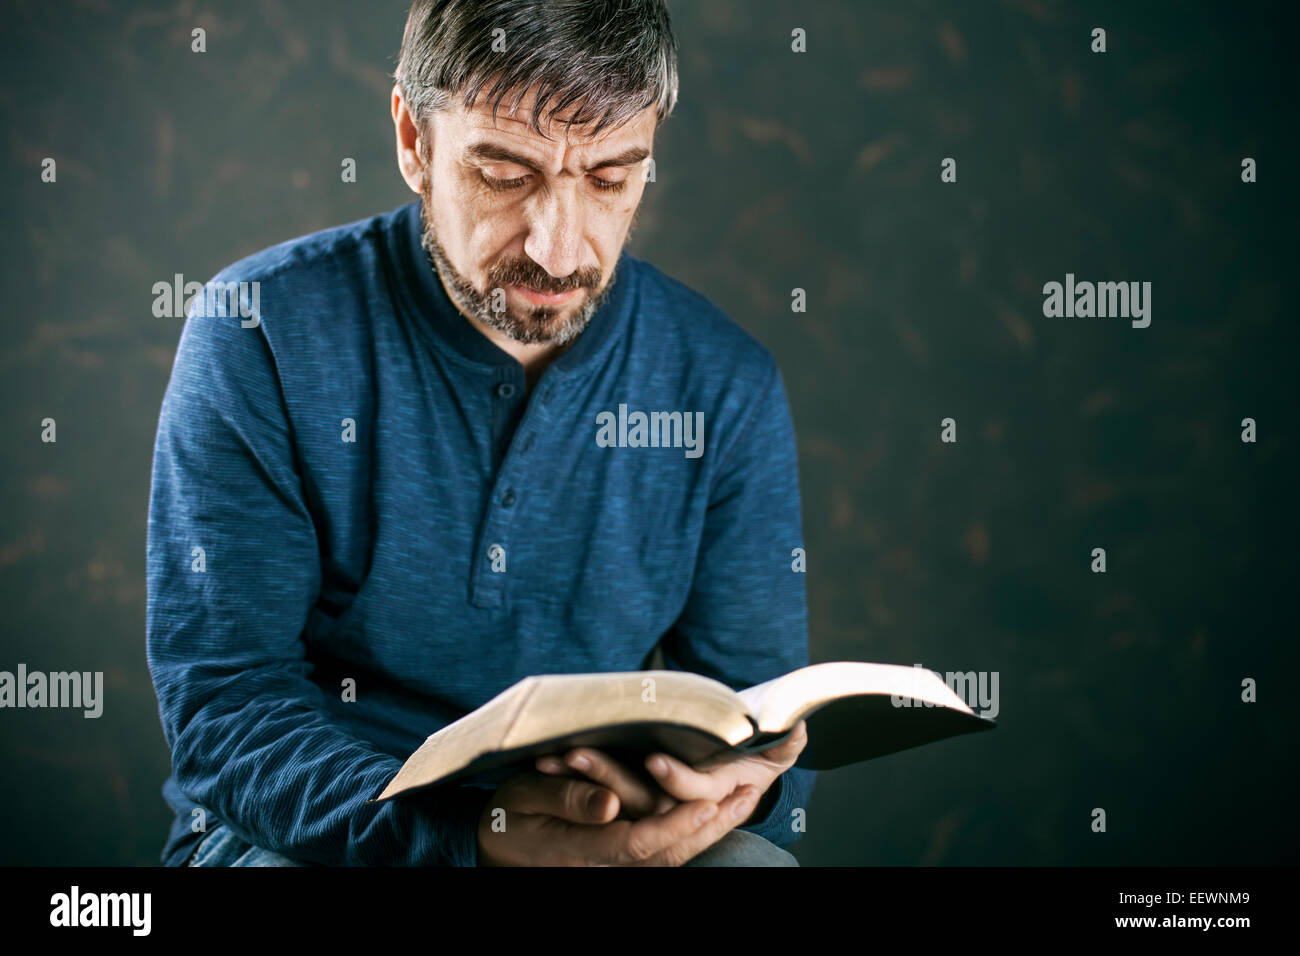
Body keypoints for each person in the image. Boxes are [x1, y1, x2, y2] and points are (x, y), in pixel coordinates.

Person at [146, 0, 816, 867]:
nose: (558, 249)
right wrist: (472, 842)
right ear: (413, 140)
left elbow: (756, 719)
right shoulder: (257, 332)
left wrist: (724, 787)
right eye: (504, 174)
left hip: (597, 833)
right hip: (315, 841)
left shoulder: (726, 383)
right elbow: (227, 709)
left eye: (611, 179)